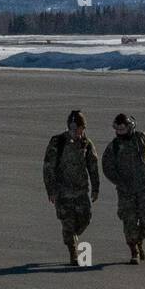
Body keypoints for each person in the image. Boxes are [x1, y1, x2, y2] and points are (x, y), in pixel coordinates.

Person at [101, 113, 145, 265]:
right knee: (129, 222)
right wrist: (119, 181)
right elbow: (106, 166)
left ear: (130, 127)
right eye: (117, 130)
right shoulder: (114, 146)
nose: (119, 133)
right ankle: (134, 251)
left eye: (122, 129)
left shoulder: (143, 139)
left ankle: (139, 241)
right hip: (126, 191)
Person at [43, 110, 100, 266]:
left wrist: (95, 188)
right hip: (63, 192)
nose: (75, 132)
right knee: (67, 223)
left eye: (78, 129)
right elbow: (48, 167)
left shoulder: (86, 144)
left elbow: (93, 167)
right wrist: (51, 190)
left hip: (81, 190)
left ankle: (73, 235)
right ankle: (73, 252)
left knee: (85, 219)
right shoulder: (58, 142)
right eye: (72, 128)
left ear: (83, 128)